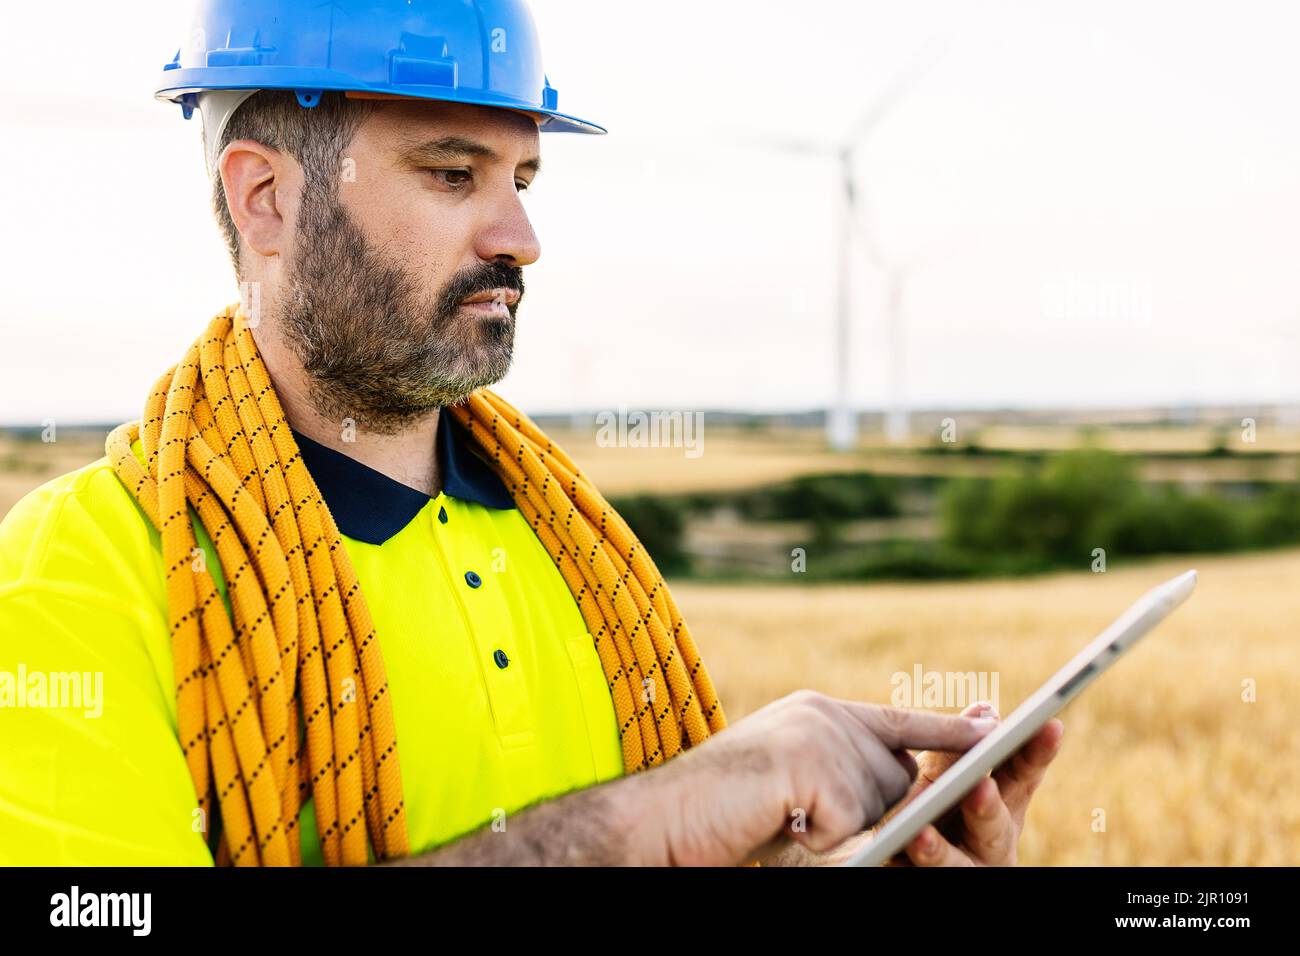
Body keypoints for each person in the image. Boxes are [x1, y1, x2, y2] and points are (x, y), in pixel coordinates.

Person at [0, 0, 1061, 867]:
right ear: (269, 197)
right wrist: (659, 819)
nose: (521, 239)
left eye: (524, 180)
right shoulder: (87, 571)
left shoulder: (584, 555)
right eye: (453, 174)